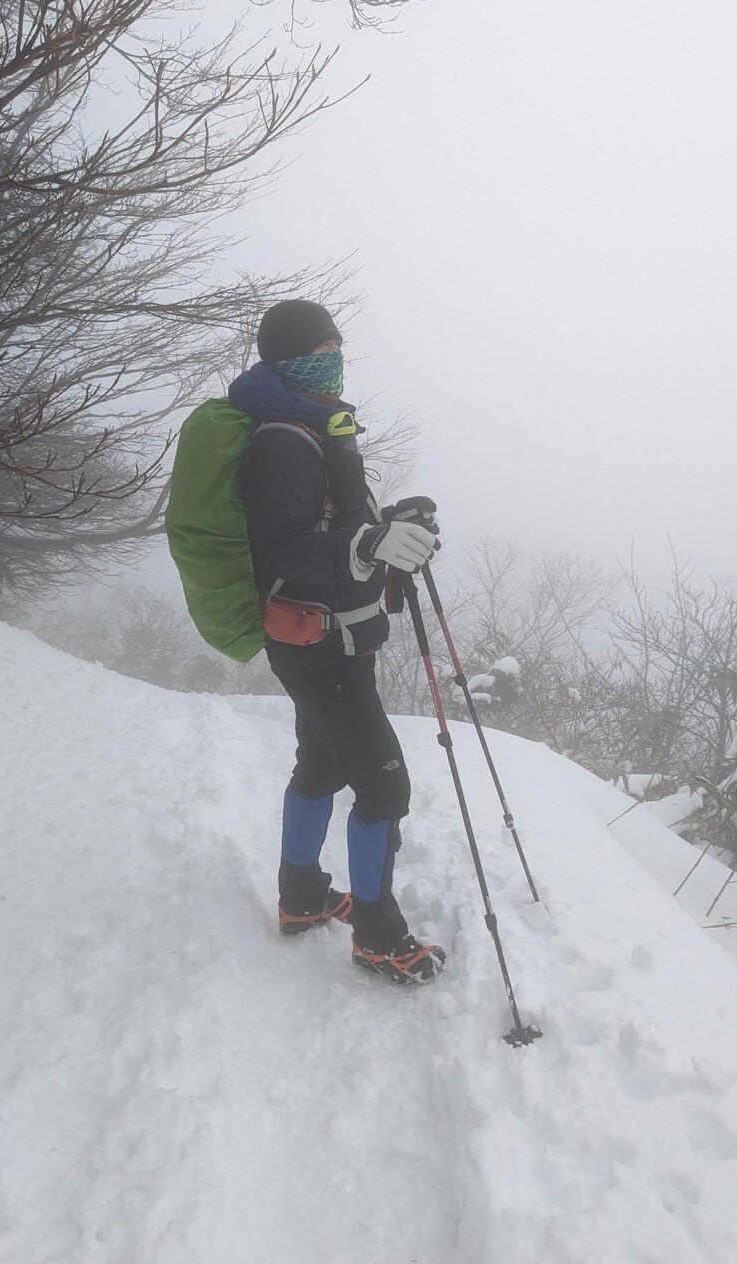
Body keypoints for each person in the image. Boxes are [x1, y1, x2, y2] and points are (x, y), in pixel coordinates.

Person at [228, 299, 445, 984]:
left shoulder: (314, 428)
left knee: (320, 770)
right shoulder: (281, 442)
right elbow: (287, 547)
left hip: (335, 641)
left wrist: (387, 523)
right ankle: (379, 938)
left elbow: (337, 523)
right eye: (325, 348)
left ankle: (301, 900)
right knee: (385, 790)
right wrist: (369, 542)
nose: (337, 357)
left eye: (339, 346)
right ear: (292, 357)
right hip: (321, 647)